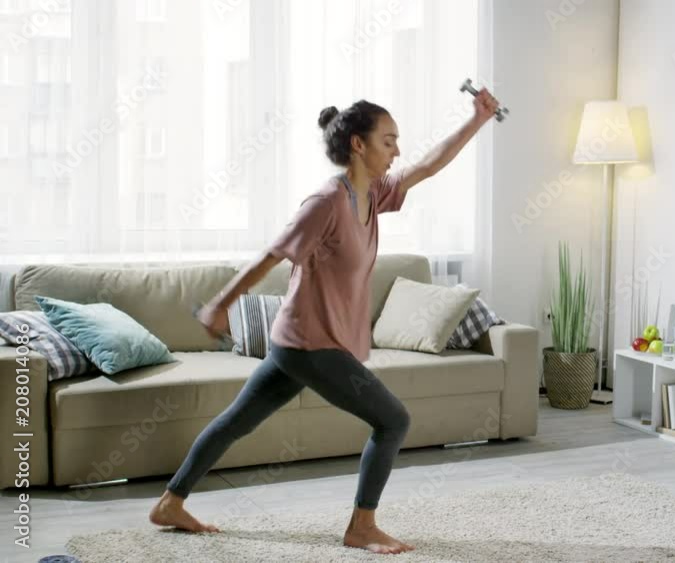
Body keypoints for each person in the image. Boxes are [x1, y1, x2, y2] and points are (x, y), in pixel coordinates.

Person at [148, 88, 500, 555]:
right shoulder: (325, 203)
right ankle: (362, 526)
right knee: (393, 420)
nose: (397, 150)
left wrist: (477, 119)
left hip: (299, 342)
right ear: (359, 144)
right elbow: (270, 256)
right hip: (311, 345)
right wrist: (220, 305)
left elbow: (429, 166)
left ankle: (170, 502)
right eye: (388, 140)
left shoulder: (373, 192)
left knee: (237, 421)